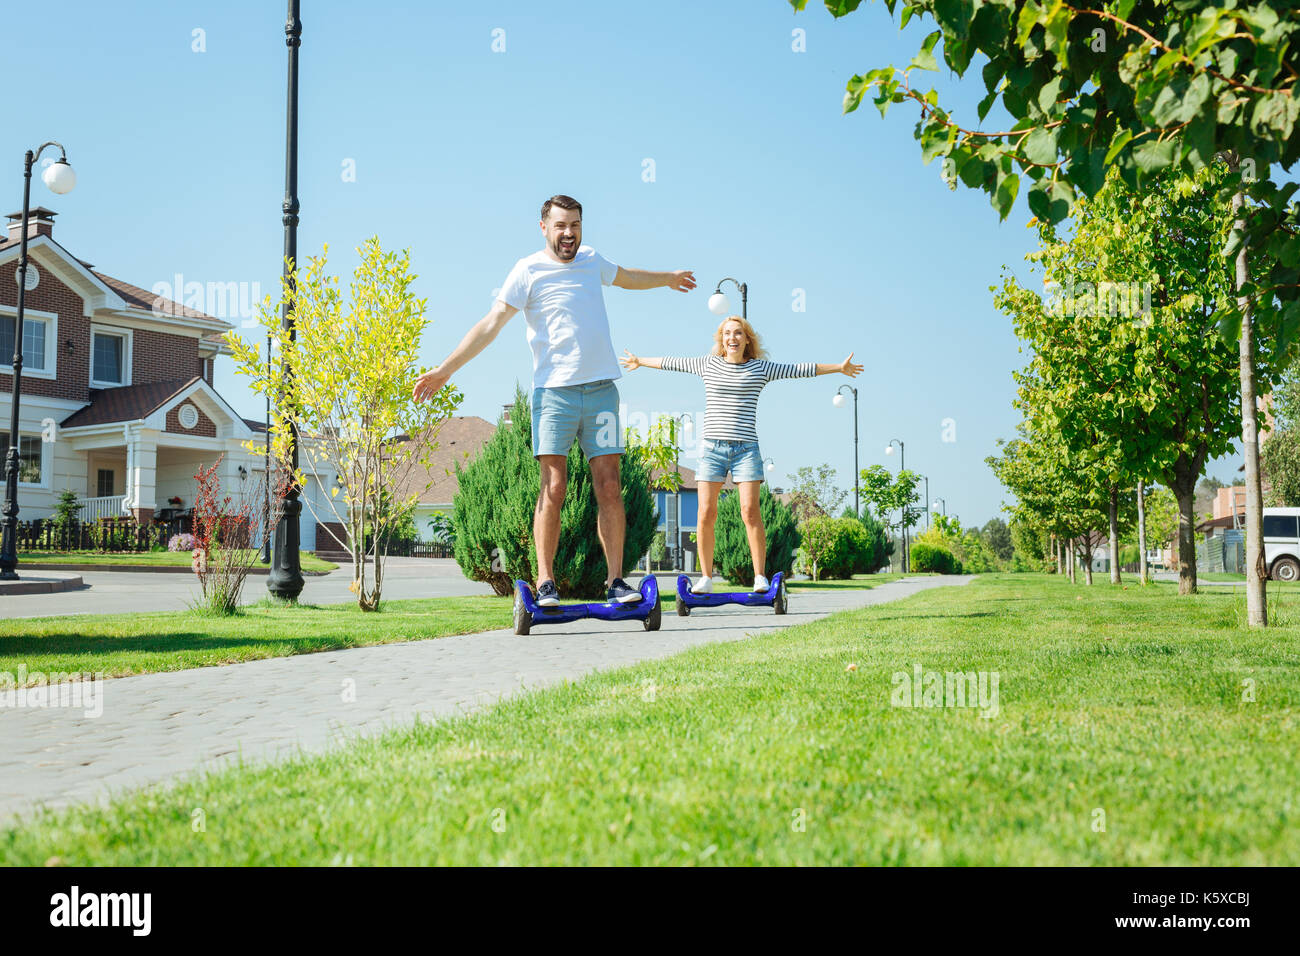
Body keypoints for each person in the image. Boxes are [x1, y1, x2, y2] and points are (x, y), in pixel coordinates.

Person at [412, 194, 695, 606]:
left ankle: (616, 581)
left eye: (575, 225)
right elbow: (491, 324)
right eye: (561, 226)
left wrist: (667, 278)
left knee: (610, 487)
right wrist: (445, 370)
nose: (569, 234)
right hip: (554, 395)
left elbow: (628, 277)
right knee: (554, 487)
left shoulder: (592, 260)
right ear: (543, 227)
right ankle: (546, 582)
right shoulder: (527, 270)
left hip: (601, 392)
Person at [620, 315, 862, 593]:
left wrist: (838, 368)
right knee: (705, 513)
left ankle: (760, 577)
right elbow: (671, 362)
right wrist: (640, 361)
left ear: (747, 339)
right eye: (726, 334)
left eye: (737, 333)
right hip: (712, 449)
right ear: (721, 340)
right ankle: (706, 578)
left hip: (746, 449)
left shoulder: (760, 369)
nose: (731, 338)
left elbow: (799, 369)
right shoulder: (707, 364)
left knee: (750, 511)